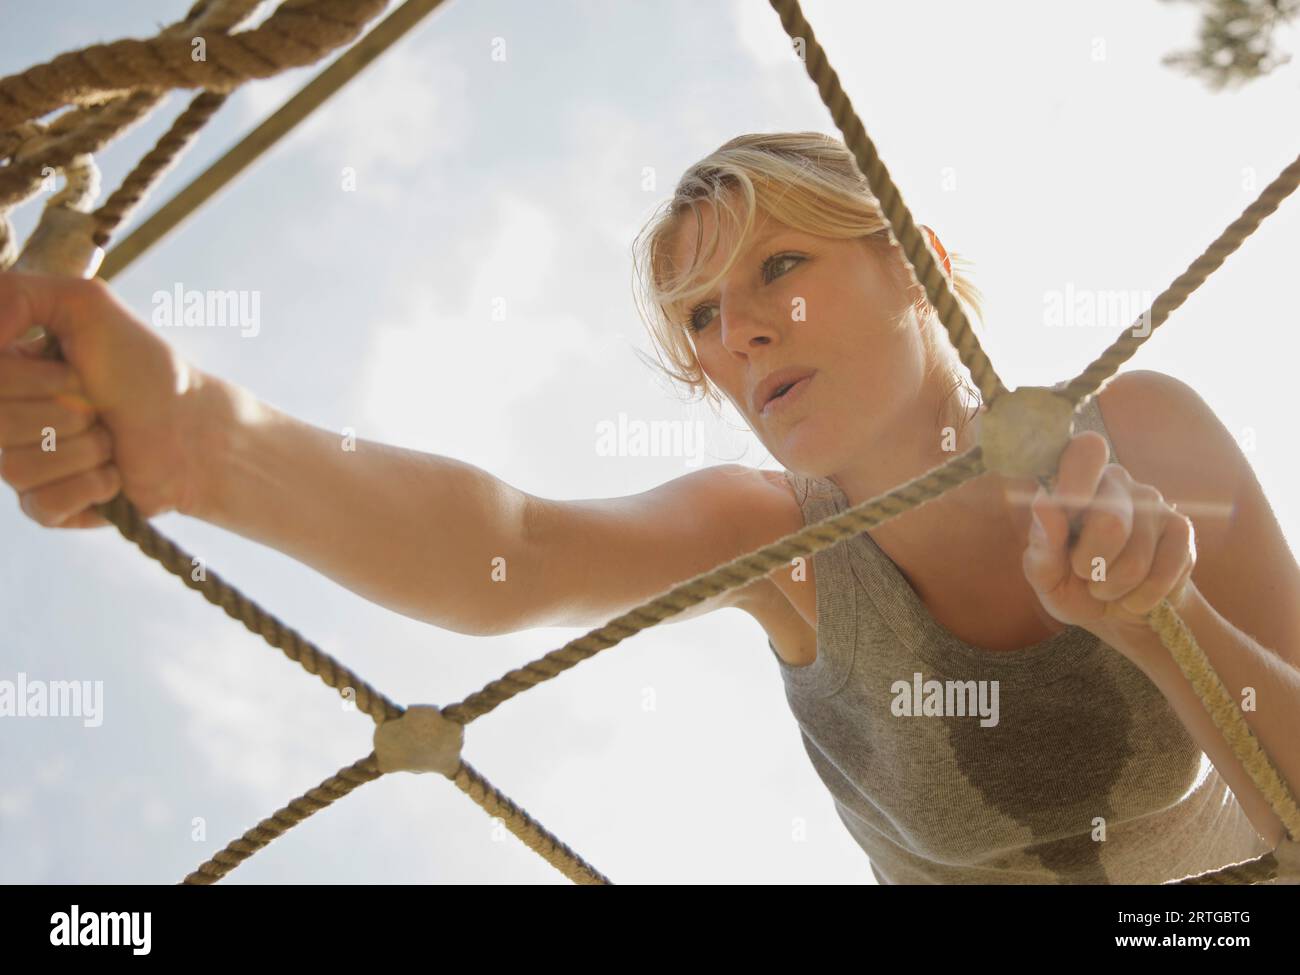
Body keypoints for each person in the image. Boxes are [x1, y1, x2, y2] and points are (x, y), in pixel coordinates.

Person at [1, 131, 1296, 883]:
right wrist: (201, 445)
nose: (739, 330)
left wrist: (1156, 620)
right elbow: (512, 552)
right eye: (702, 319)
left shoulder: (1140, 431)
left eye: (778, 266)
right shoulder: (772, 539)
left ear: (917, 263)